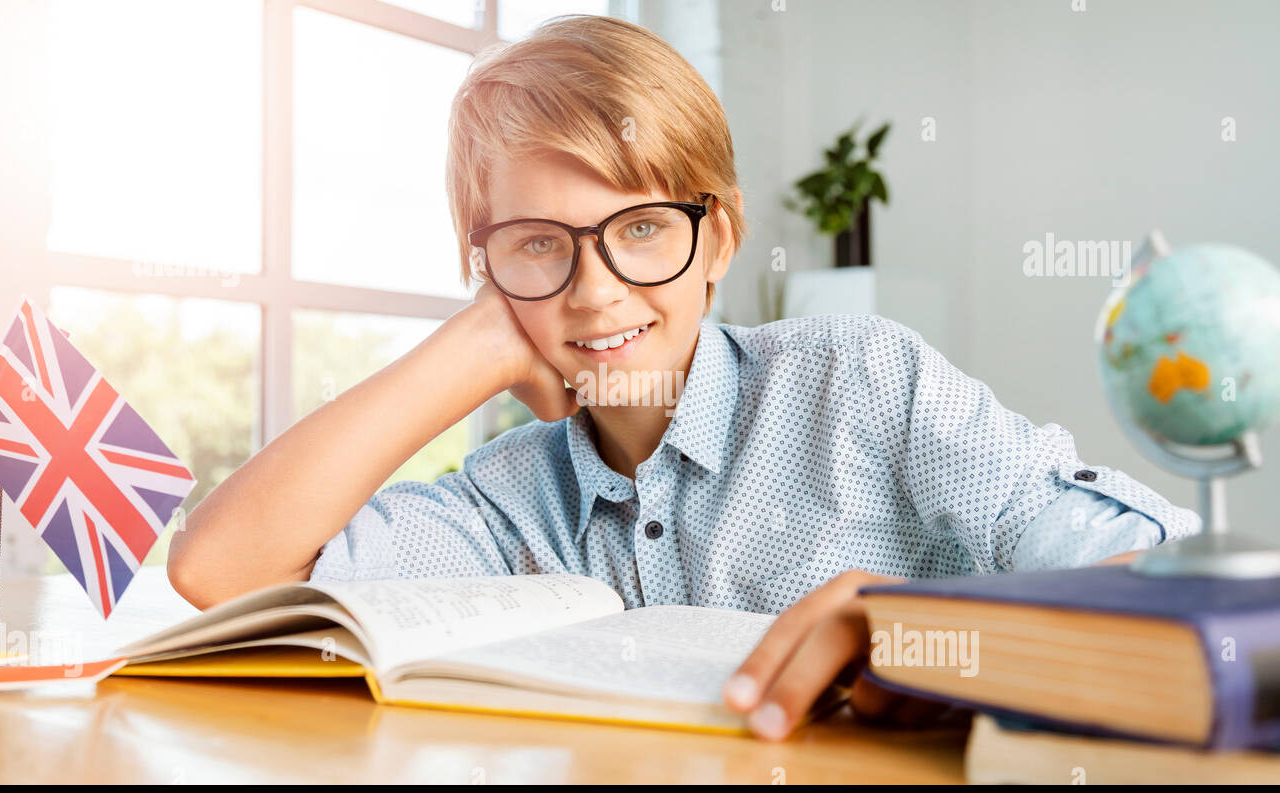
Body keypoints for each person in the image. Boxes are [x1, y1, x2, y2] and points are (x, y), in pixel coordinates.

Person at [167, 15, 1199, 740]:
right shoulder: (508, 494)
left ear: (720, 240)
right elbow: (222, 568)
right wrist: (476, 341)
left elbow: (1188, 582)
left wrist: (925, 622)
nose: (597, 291)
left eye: (644, 228)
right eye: (538, 245)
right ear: (483, 267)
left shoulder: (862, 381)